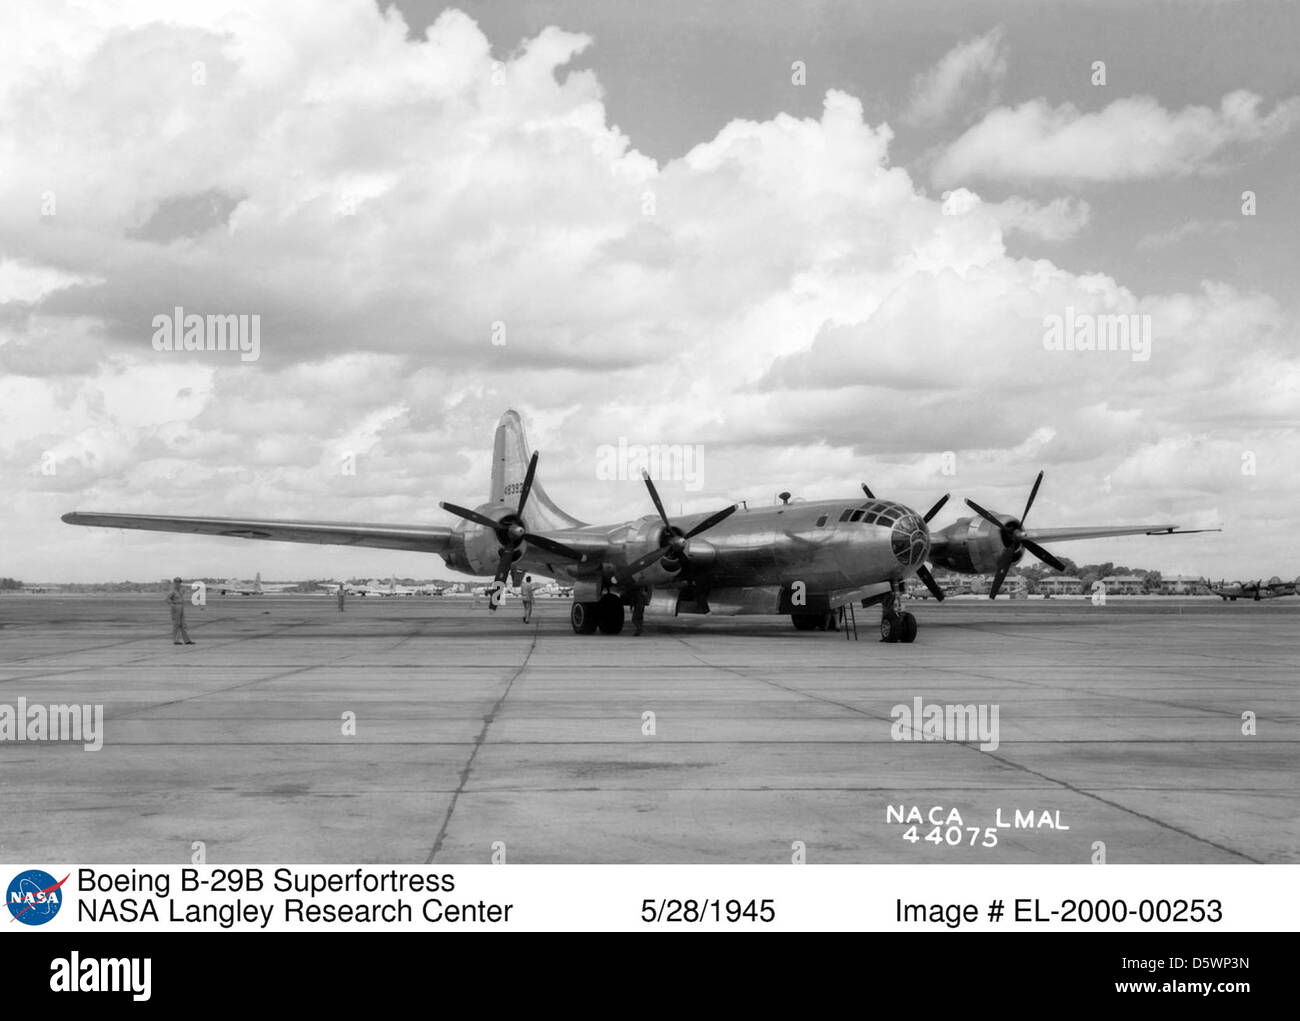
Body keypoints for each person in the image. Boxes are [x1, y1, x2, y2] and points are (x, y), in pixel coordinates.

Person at [166, 577, 194, 645]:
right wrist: (173, 606)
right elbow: (167, 599)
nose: (179, 584)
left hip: (181, 607)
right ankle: (176, 640)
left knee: (183, 624)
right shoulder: (172, 591)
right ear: (175, 583)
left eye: (179, 582)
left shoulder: (180, 591)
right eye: (177, 582)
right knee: (176, 624)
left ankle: (187, 640)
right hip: (176, 607)